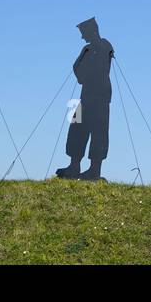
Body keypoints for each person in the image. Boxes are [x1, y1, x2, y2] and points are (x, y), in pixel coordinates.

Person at [56, 17, 113, 182]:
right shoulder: (87, 49)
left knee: (99, 133)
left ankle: (94, 170)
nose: (83, 37)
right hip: (86, 96)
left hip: (100, 97)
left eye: (84, 33)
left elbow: (103, 64)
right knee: (77, 129)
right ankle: (74, 166)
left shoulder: (104, 45)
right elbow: (77, 67)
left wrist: (88, 71)